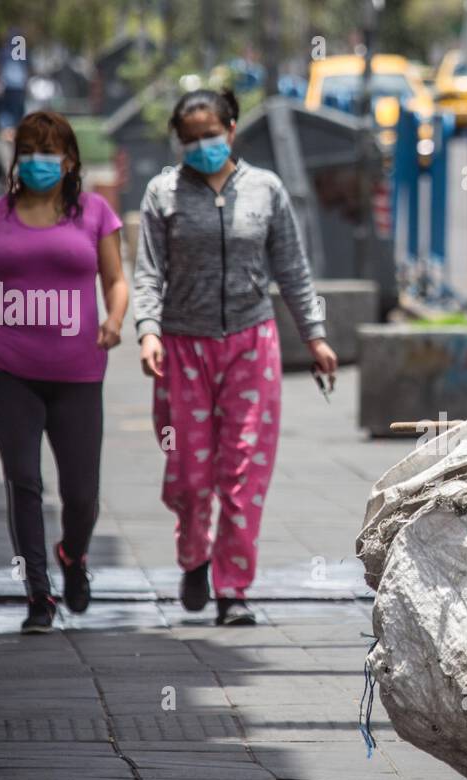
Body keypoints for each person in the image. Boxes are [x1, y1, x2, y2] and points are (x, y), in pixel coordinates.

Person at [133, 88, 338, 626]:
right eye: (191, 138)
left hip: (252, 344)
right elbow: (149, 271)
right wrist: (148, 331)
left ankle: (233, 588)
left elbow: (293, 269)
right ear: (180, 142)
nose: (203, 145)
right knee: (190, 475)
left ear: (231, 129)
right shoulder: (163, 193)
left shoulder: (266, 190)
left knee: (244, 471)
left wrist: (314, 337)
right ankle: (194, 555)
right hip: (181, 347)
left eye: (211, 134)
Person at [0, 110, 128, 634]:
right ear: (18, 159)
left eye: (51, 151)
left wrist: (113, 319)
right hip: (8, 370)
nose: (41, 161)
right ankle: (38, 595)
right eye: (31, 151)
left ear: (69, 161)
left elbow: (116, 280)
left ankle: (74, 555)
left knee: (82, 493)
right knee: (23, 482)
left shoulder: (93, 214)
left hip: (79, 373)